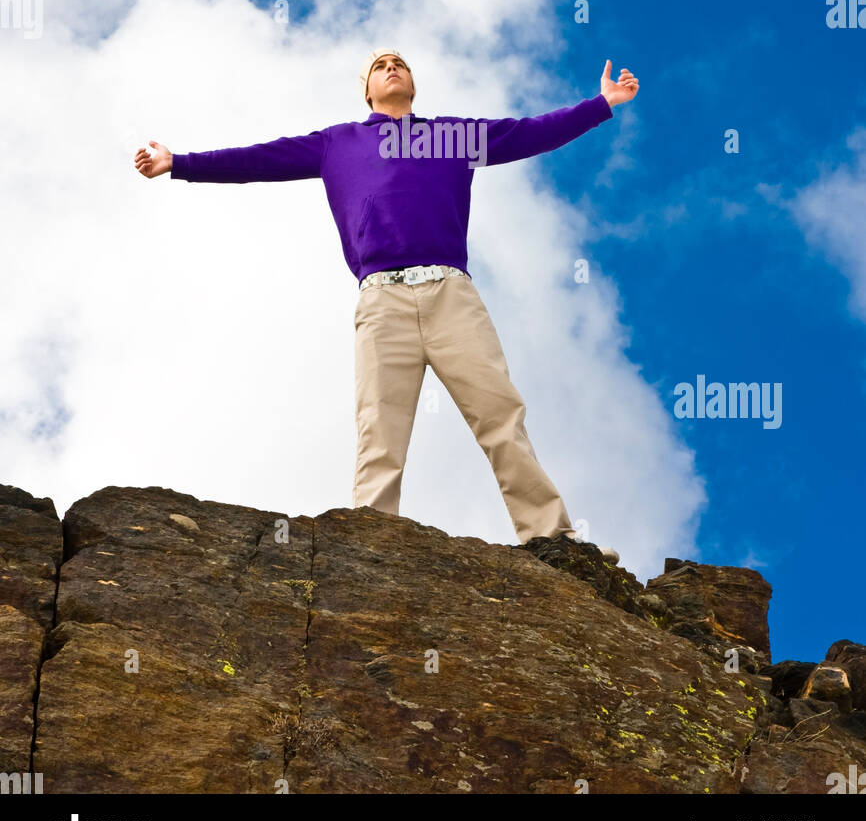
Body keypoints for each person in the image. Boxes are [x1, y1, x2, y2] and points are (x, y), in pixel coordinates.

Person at [134, 49, 639, 555]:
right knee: (380, 432)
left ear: (413, 84)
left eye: (400, 63)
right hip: (381, 300)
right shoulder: (337, 143)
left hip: (450, 295)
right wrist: (179, 163)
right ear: (368, 91)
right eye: (380, 66)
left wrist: (602, 103)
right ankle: (369, 551)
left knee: (501, 417)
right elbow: (258, 159)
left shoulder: (451, 137)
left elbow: (529, 133)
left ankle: (554, 539)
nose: (392, 68)